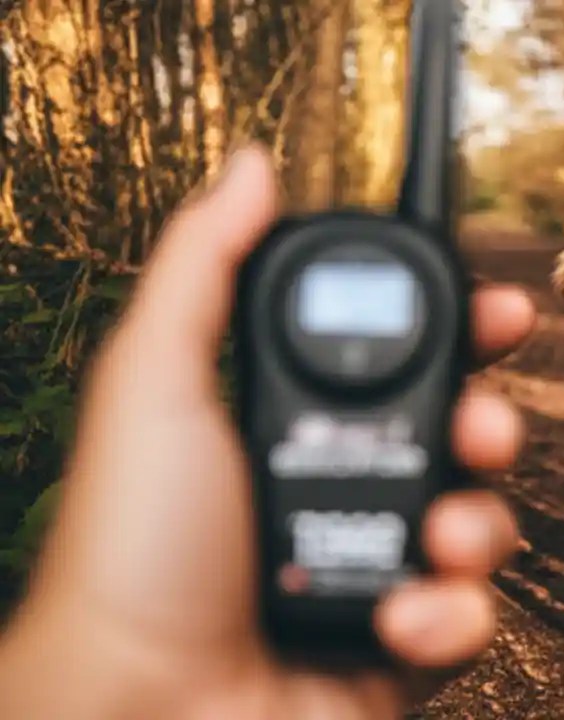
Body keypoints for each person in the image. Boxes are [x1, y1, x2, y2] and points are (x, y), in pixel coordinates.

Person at [0, 144, 536, 718]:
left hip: (305, 641)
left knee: (478, 459)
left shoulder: (399, 272)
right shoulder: (404, 271)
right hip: (227, 633)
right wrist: (127, 656)